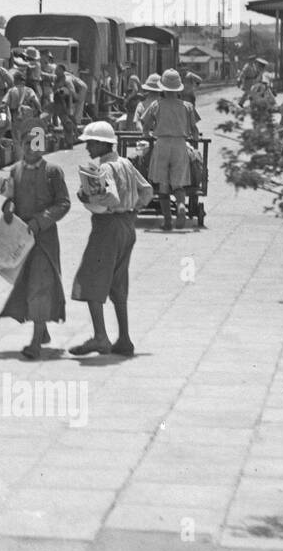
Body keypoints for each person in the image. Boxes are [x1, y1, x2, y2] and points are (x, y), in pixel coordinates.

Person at [69, 122, 152, 357]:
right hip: (127, 226)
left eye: (90, 143)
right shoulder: (125, 163)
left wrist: (87, 195)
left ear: (102, 144)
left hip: (108, 226)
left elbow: (109, 198)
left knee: (91, 279)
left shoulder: (104, 169)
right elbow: (147, 191)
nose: (87, 148)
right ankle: (124, 339)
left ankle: (100, 337)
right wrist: (134, 210)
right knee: (118, 282)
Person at [0, 126, 70, 360]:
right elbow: (10, 199)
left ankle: (36, 343)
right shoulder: (14, 171)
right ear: (21, 144)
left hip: (44, 238)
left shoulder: (53, 171)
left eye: (36, 143)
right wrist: (8, 209)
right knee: (29, 285)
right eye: (27, 143)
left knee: (41, 286)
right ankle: (43, 330)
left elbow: (63, 203)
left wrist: (41, 221)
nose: (31, 148)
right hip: (21, 238)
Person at [140, 69, 193, 231]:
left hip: (162, 144)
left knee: (163, 184)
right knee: (178, 184)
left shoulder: (157, 105)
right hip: (179, 145)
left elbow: (146, 125)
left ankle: (168, 221)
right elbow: (194, 130)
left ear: (162, 88)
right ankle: (181, 206)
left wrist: (146, 133)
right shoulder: (187, 106)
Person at [5, 69, 42, 160]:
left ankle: (20, 159)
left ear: (15, 80)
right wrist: (39, 111)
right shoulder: (29, 90)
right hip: (28, 114)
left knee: (17, 139)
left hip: (16, 115)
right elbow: (36, 101)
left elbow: (5, 103)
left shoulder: (11, 90)